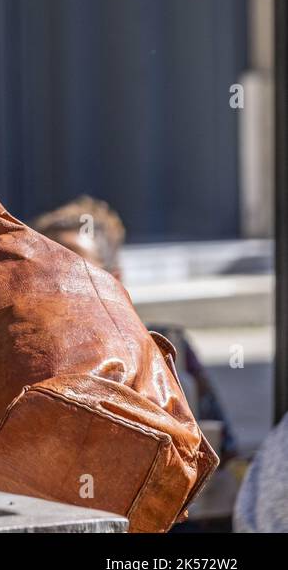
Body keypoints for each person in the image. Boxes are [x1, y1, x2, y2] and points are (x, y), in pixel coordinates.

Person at [34, 195, 237, 461]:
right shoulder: (22, 350)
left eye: (77, 267)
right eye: (44, 268)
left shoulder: (163, 347)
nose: (60, 280)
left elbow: (221, 449)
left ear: (114, 279)